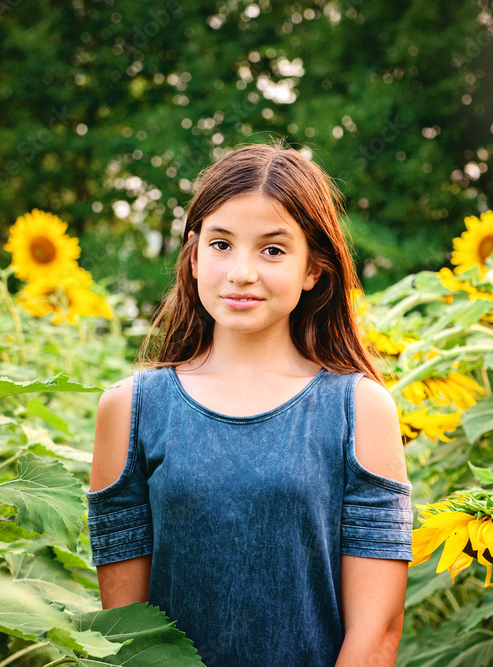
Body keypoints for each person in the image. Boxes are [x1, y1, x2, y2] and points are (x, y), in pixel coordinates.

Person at [87, 140, 412, 666]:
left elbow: (377, 631)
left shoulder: (361, 409)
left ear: (313, 270)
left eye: (273, 249)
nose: (241, 271)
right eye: (221, 245)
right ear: (193, 257)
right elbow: (128, 635)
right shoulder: (129, 409)